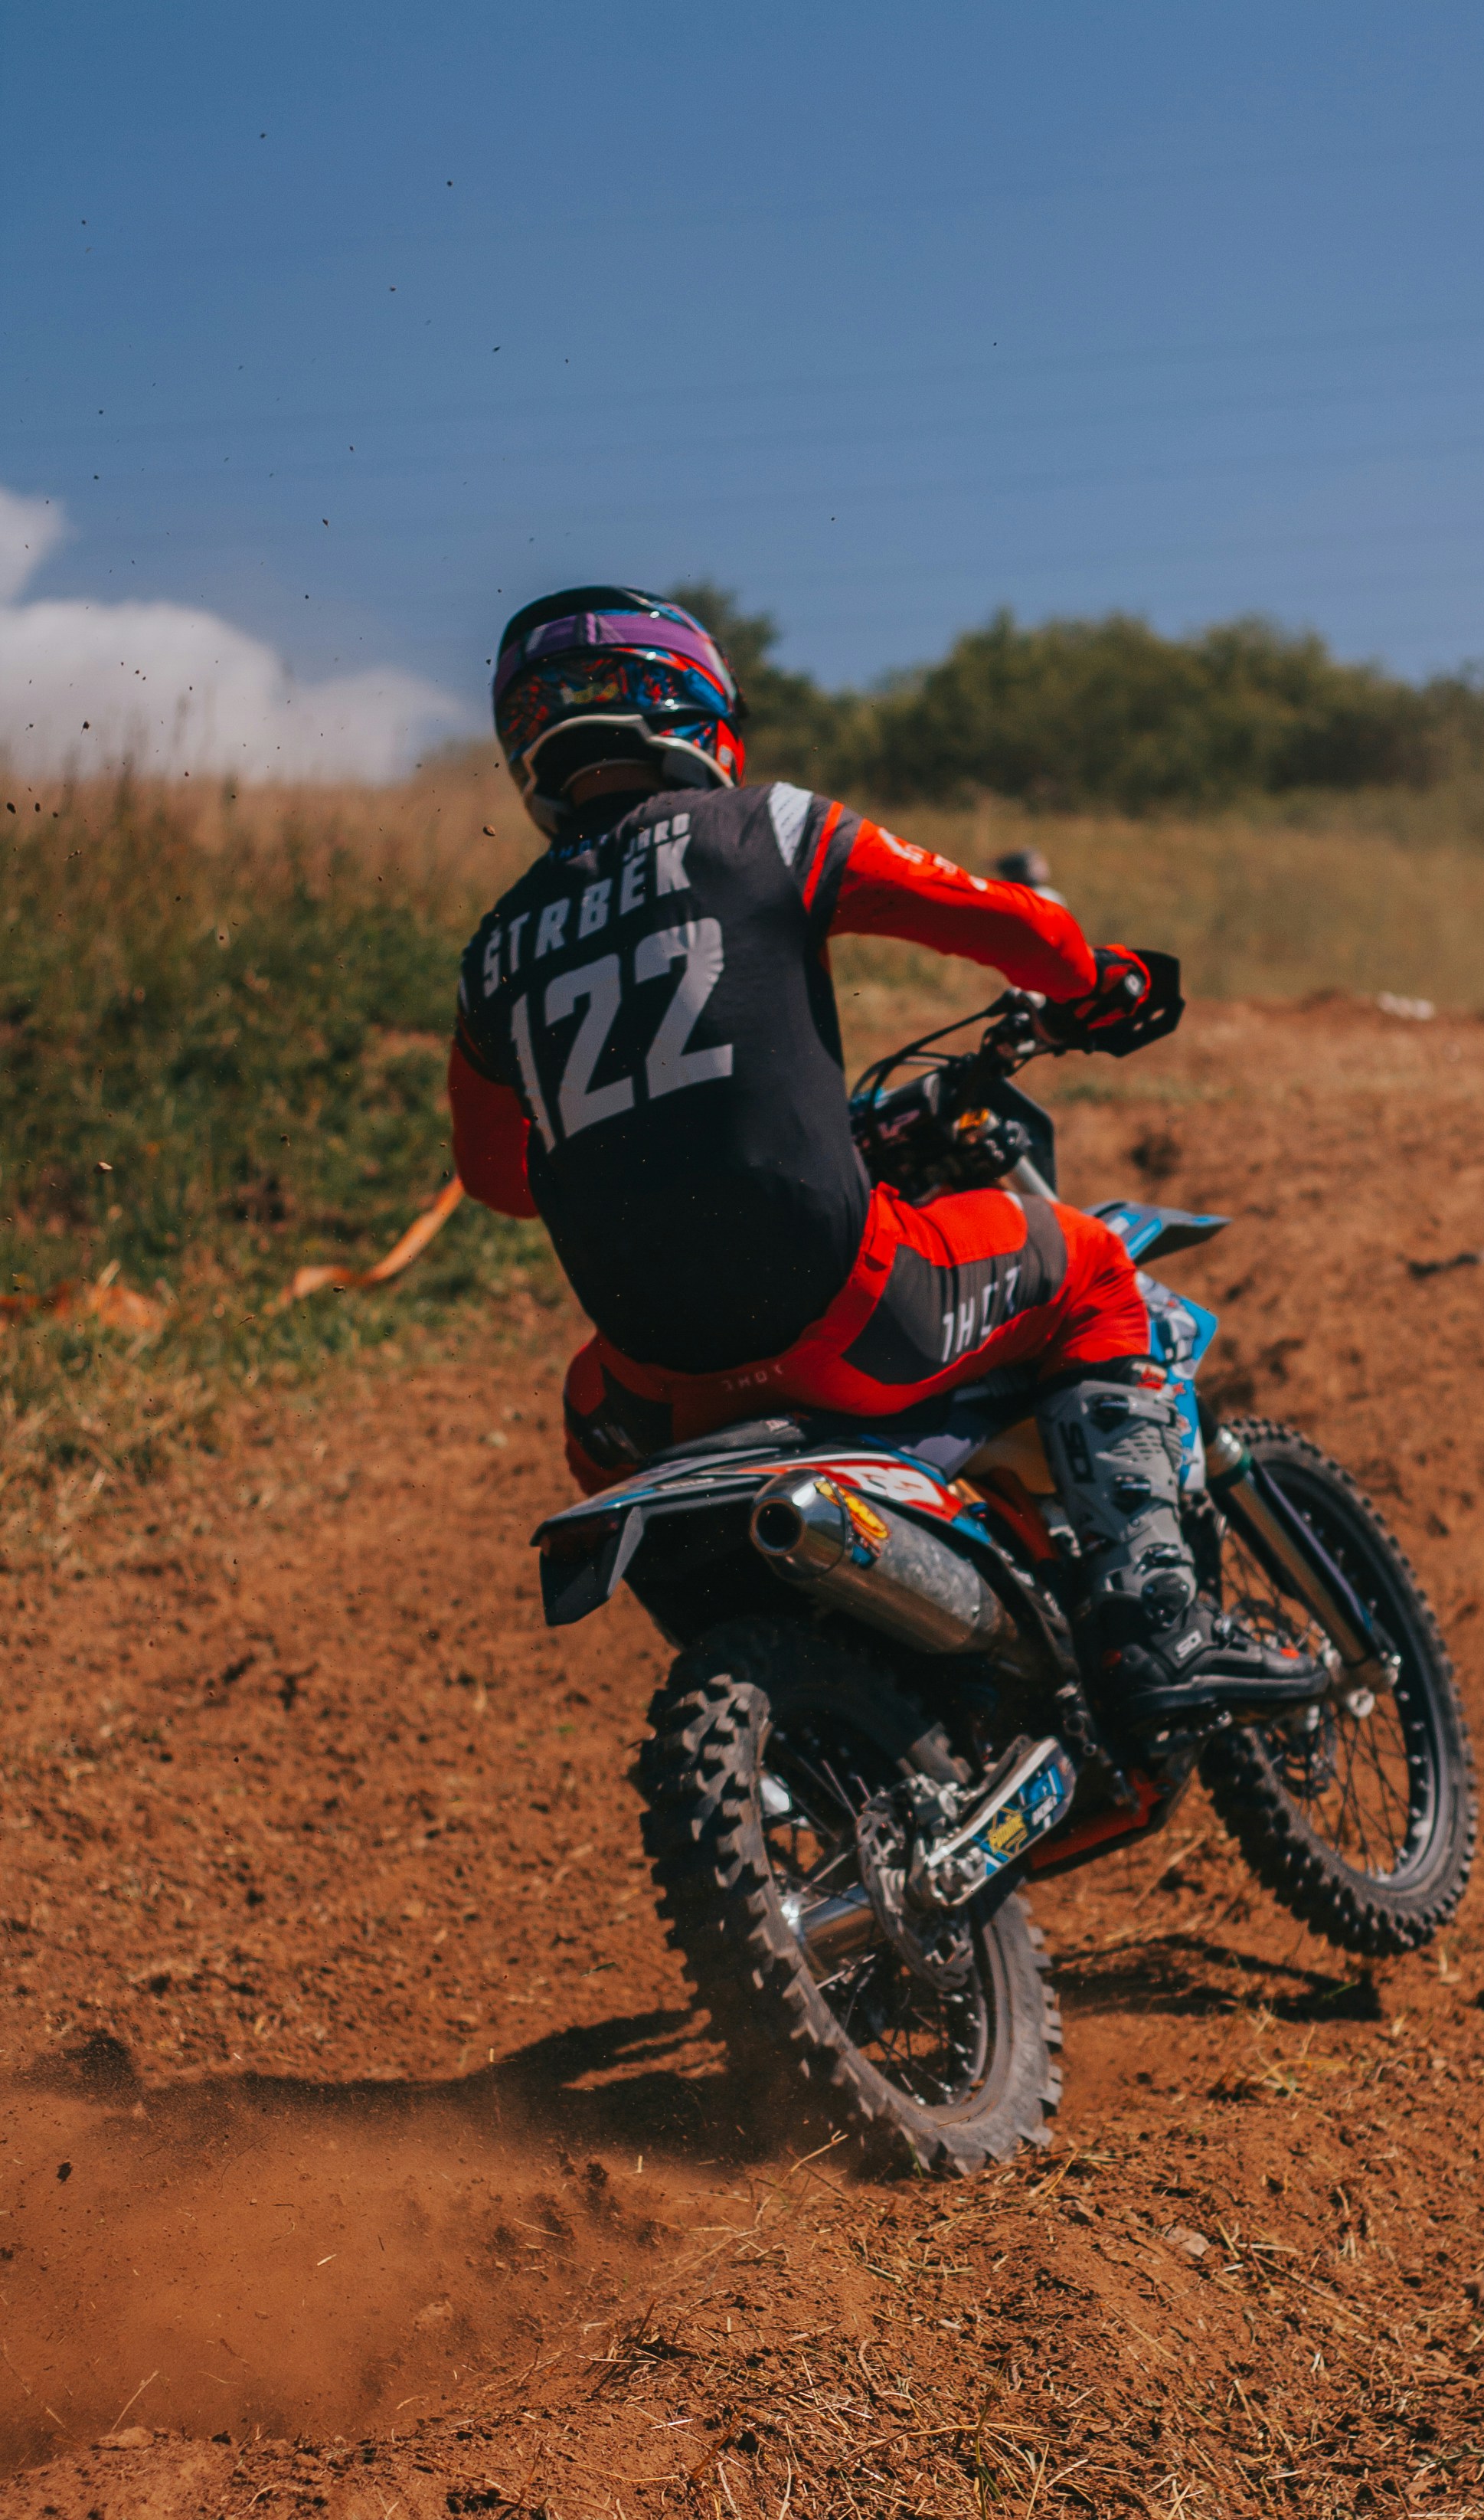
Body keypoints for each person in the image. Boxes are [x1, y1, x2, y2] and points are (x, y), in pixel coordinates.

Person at [449, 585, 1325, 1735]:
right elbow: (1008, 925)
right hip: (846, 1307)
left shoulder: (492, 957)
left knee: (584, 1397)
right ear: (690, 698)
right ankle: (1155, 1623)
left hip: (657, 1393)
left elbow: (499, 1181)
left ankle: (843, 1675)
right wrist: (1088, 976)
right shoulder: (764, 828)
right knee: (1095, 1268)